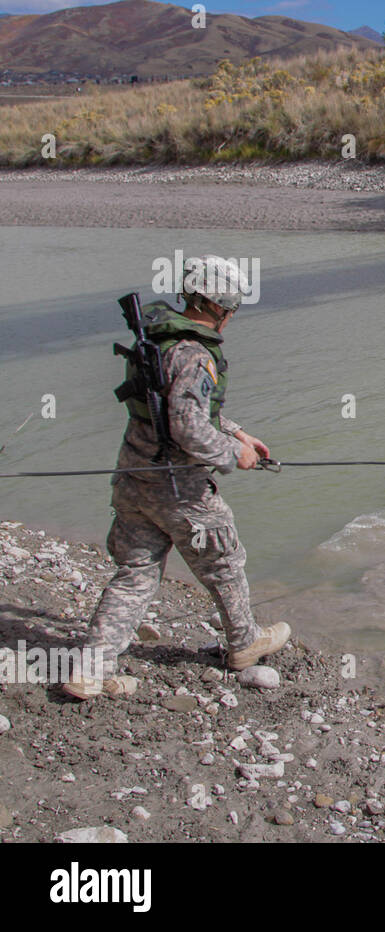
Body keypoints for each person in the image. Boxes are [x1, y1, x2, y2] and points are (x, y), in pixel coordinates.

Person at [63, 256, 290, 699]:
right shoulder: (195, 353)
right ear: (219, 305)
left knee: (136, 573)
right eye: (233, 308)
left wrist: (237, 431)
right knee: (225, 564)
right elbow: (188, 429)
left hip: (133, 479)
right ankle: (244, 645)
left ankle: (91, 669)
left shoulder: (157, 342)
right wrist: (233, 454)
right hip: (179, 490)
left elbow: (174, 412)